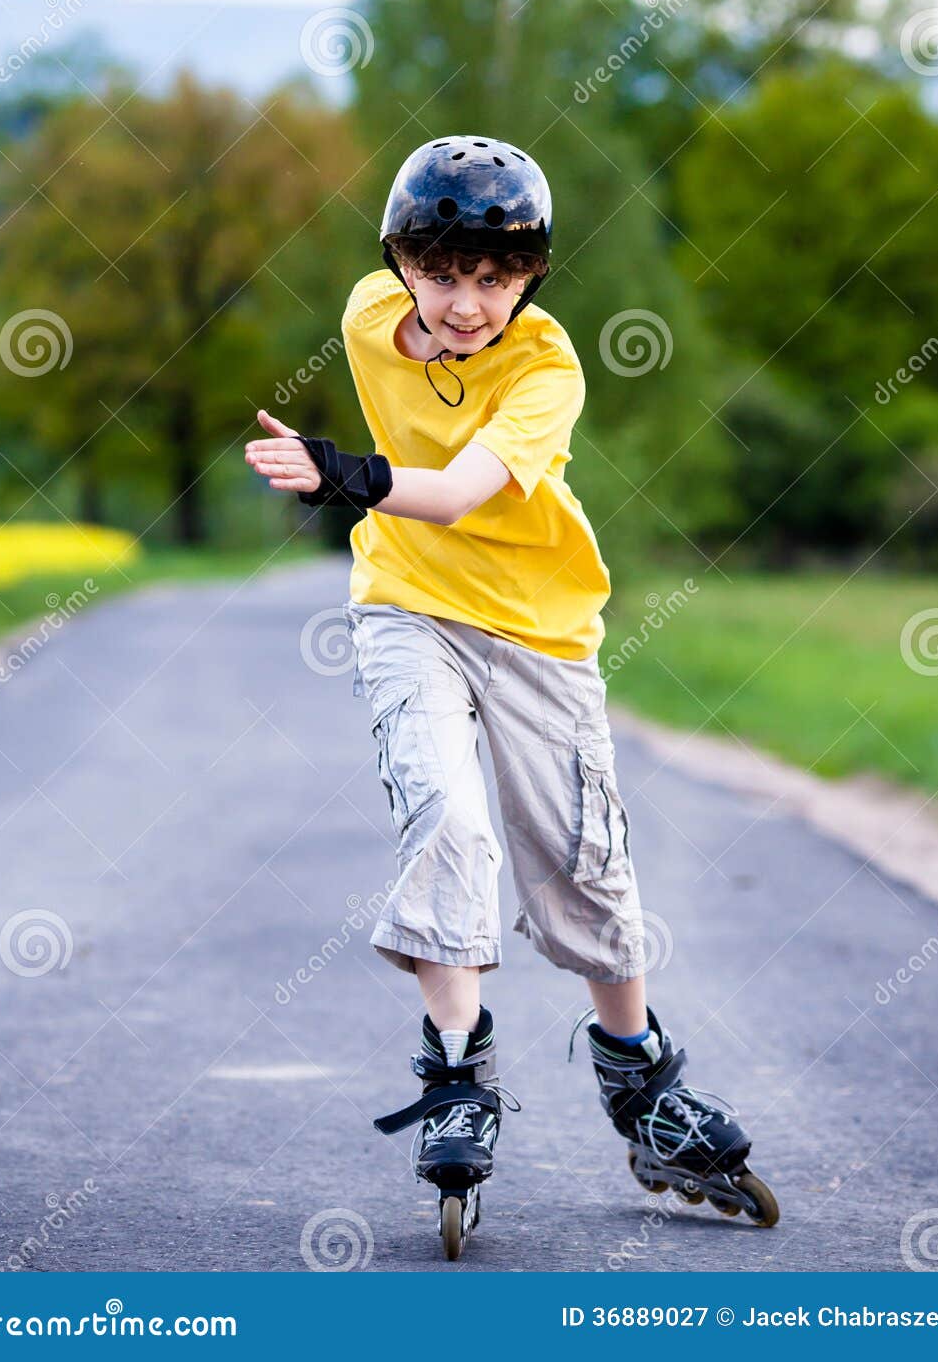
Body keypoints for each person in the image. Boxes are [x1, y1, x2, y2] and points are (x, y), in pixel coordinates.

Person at [244, 136, 777, 1257]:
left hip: (538, 625)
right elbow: (414, 508)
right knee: (443, 816)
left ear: (528, 276)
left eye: (494, 278)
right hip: (407, 611)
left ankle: (639, 1082)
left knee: (580, 857)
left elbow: (455, 489)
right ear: (399, 262)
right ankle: (457, 1067)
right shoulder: (361, 318)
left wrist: (341, 473)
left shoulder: (546, 369)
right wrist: (355, 485)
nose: (466, 302)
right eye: (442, 273)